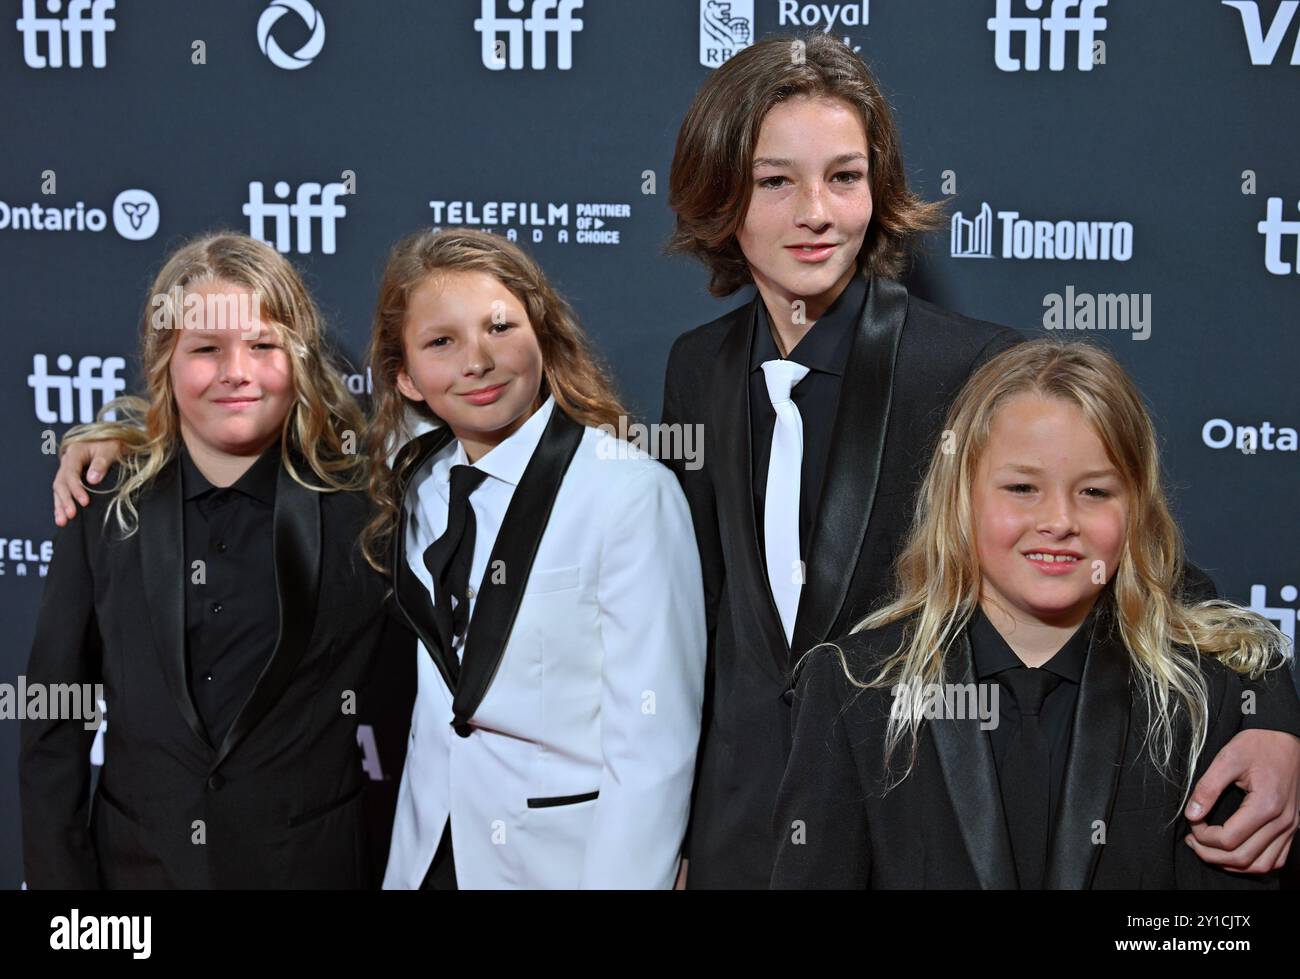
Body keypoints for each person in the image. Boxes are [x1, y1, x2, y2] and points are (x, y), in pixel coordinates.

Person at [660, 34, 1300, 888]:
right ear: (720, 192)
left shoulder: (969, 365)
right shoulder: (695, 368)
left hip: (909, 827)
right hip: (738, 832)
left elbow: (1127, 557)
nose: (816, 211)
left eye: (844, 177)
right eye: (777, 180)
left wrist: (1270, 714)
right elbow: (698, 619)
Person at [771, 340, 1298, 888]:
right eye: (1022, 488)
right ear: (962, 496)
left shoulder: (1203, 698)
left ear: (1137, 506)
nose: (1060, 520)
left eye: (1095, 491)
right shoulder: (855, 688)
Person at [22, 232, 390, 888]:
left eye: (262, 346)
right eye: (206, 350)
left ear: (299, 359)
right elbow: (56, 723)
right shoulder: (104, 501)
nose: (237, 372)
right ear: (163, 360)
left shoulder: (366, 507)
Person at [364, 228, 705, 889]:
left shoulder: (629, 492)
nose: (478, 360)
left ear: (540, 335)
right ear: (405, 375)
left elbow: (652, 743)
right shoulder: (420, 485)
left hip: (560, 864)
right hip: (426, 852)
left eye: (499, 327)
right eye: (442, 342)